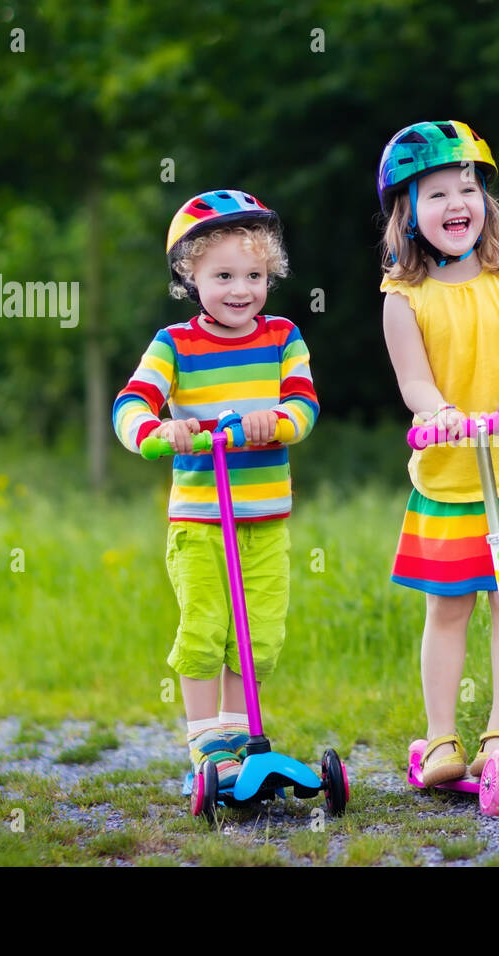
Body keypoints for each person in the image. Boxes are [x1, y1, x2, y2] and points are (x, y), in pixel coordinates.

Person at [377, 121, 499, 785]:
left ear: (486, 203)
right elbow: (415, 381)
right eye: (436, 194)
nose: (457, 202)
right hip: (451, 474)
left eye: (468, 188)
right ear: (406, 214)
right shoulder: (403, 299)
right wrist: (441, 415)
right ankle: (439, 739)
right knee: (449, 606)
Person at [112, 189, 318, 789]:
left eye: (254, 275)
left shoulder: (283, 337)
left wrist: (275, 421)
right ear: (189, 274)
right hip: (201, 520)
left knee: (259, 636)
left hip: (265, 518)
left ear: (270, 275)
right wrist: (157, 433)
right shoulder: (174, 345)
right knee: (205, 628)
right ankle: (208, 747)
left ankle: (241, 741)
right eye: (223, 274)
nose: (240, 289)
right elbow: (131, 405)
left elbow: (303, 405)